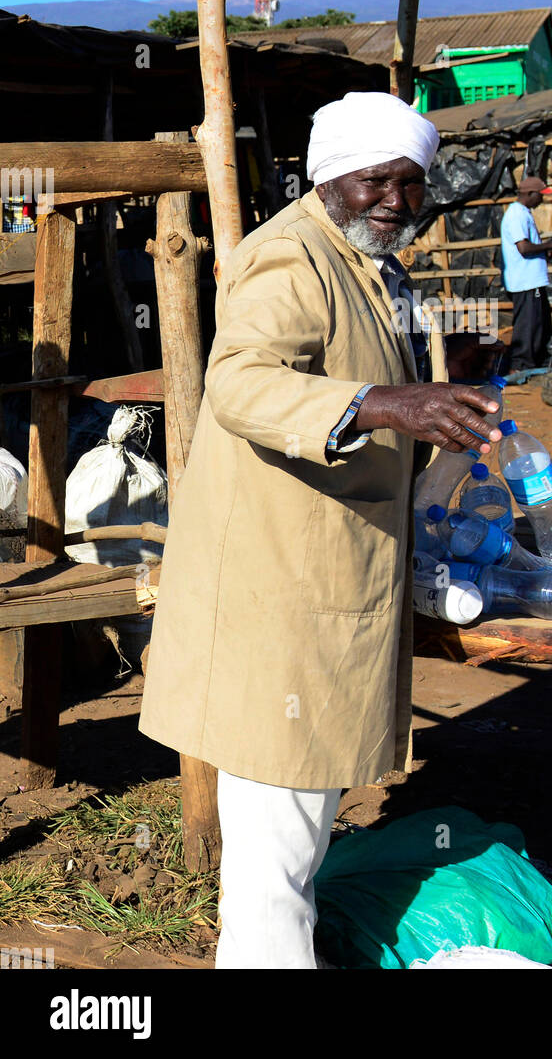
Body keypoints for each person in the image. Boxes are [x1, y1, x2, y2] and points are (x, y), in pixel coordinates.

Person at [138, 90, 502, 968]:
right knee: (276, 856)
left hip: (324, 579)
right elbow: (241, 383)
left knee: (294, 838)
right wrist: (382, 402)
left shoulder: (362, 260)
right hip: (281, 596)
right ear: (328, 176)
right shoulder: (290, 257)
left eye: (412, 184)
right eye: (378, 181)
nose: (396, 201)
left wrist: (431, 393)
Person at [499, 175, 552, 371]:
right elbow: (523, 247)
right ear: (529, 194)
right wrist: (551, 245)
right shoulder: (517, 214)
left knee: (538, 324)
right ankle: (521, 364)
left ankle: (533, 361)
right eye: (540, 195)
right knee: (528, 325)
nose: (542, 199)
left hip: (531, 280)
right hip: (526, 281)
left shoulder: (523, 213)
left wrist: (546, 251)